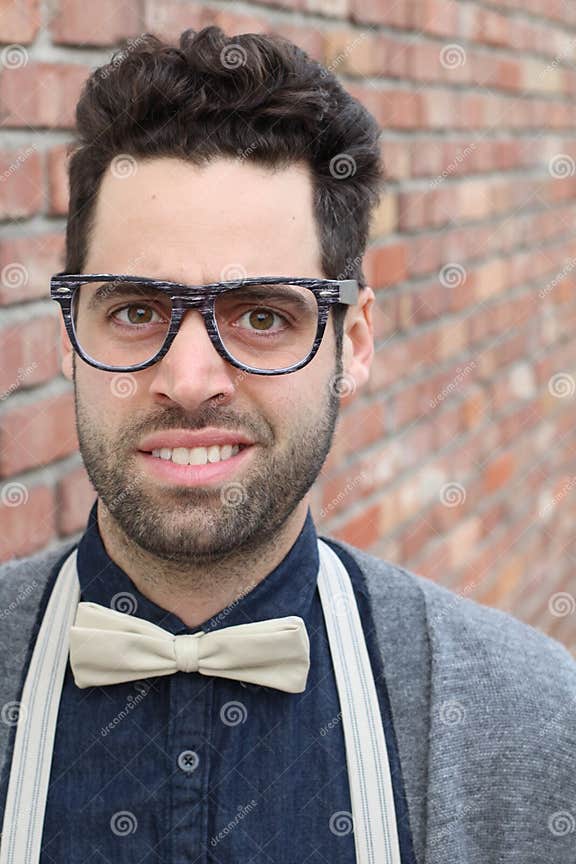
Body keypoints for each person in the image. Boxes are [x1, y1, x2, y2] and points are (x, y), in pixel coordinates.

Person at [0, 25, 575, 864]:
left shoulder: (533, 728)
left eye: (263, 315)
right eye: (134, 311)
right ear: (67, 334)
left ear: (357, 342)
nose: (190, 379)